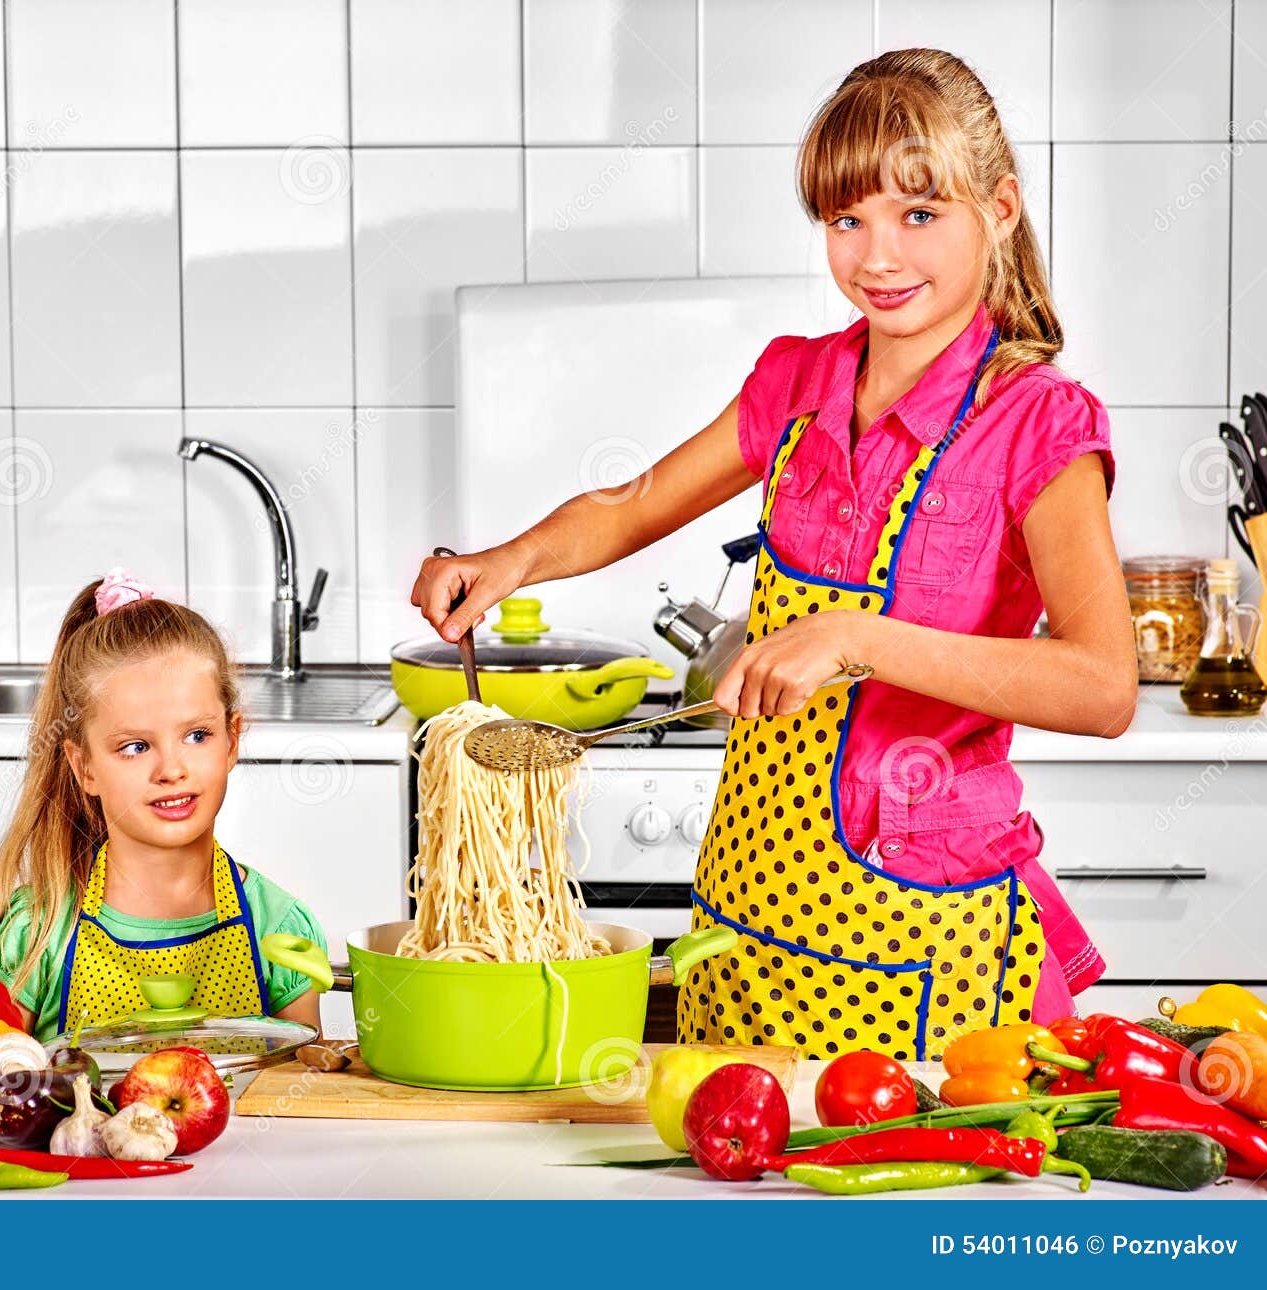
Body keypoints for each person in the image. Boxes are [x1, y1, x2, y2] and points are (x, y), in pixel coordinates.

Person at [411, 49, 1137, 1054]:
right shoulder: (797, 381)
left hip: (928, 938)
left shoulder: (1037, 425)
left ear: (1000, 209)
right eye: (846, 221)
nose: (877, 258)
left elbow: (1103, 687)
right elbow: (634, 504)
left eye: (918, 214)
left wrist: (856, 637)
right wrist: (510, 561)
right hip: (749, 916)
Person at [0, 569, 325, 1040]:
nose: (171, 769)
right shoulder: (38, 932)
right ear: (85, 767)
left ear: (231, 740)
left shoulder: (278, 930)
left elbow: (302, 1079)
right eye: (136, 746)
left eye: (197, 735)